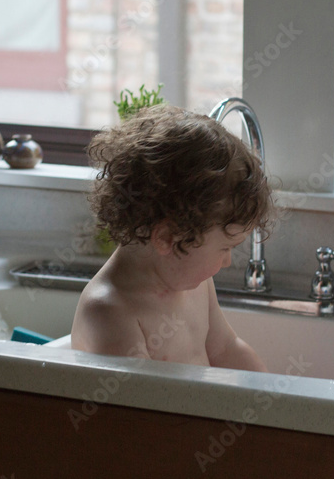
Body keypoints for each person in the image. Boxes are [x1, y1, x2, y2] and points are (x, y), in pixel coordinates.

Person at [70, 104, 274, 371]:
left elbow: (225, 348)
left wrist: (270, 396)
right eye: (225, 248)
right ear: (167, 238)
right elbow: (142, 408)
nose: (227, 261)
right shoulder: (110, 312)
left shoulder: (197, 285)